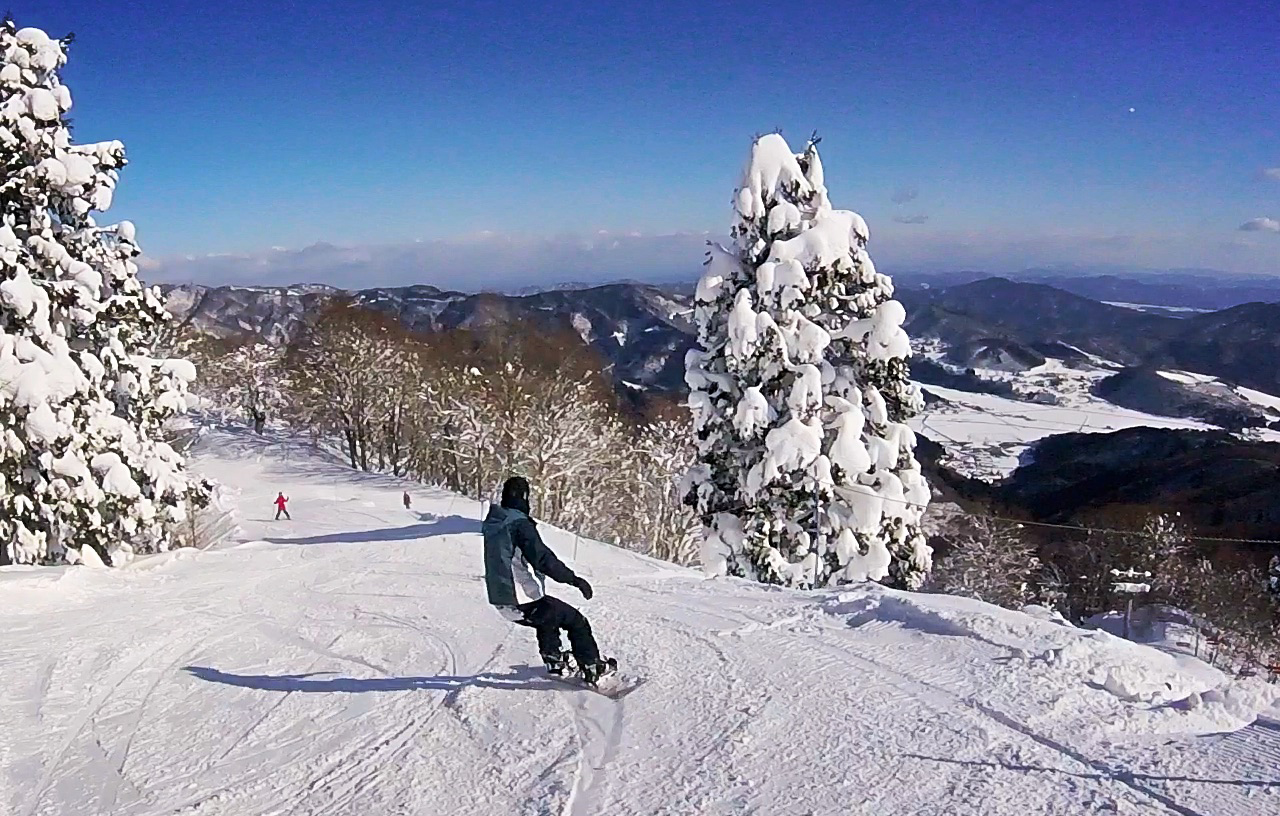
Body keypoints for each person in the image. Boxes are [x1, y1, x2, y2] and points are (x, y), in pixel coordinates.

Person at [481, 476, 613, 683]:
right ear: (524, 498)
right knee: (576, 621)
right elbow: (543, 559)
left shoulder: (495, 523)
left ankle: (554, 660)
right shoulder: (519, 524)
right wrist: (574, 580)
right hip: (522, 598)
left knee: (548, 616)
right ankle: (592, 666)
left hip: (501, 600)